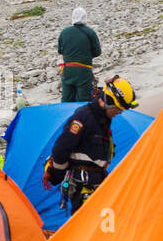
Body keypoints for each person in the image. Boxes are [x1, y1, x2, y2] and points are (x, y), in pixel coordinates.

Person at [43, 78, 138, 215]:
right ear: (108, 102)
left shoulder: (103, 120)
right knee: (83, 226)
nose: (120, 113)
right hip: (83, 186)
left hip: (97, 182)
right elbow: (61, 148)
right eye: (118, 109)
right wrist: (56, 174)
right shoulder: (84, 117)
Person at [57, 6, 102, 102]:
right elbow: (97, 52)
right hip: (84, 71)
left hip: (67, 70)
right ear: (85, 17)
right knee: (84, 100)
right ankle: (83, 117)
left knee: (66, 99)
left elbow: (60, 51)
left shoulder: (64, 32)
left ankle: (67, 116)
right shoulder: (90, 32)